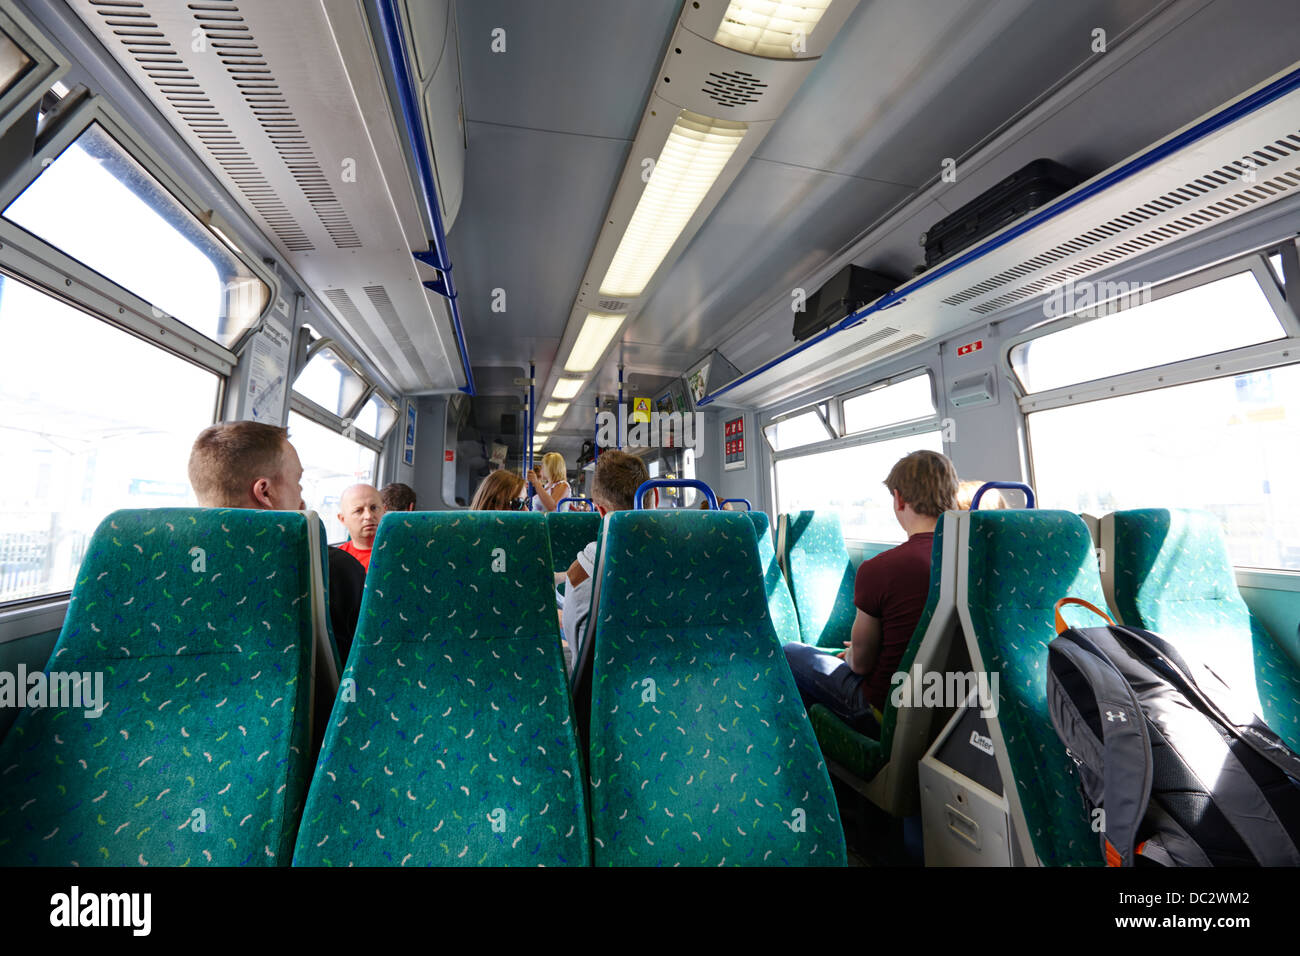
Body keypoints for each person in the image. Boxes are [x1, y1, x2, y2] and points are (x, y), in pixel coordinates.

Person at [783, 450, 958, 733]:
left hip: (884, 708)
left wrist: (854, 655)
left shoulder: (880, 568)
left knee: (791, 652)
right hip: (954, 702)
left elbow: (861, 665)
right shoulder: (973, 559)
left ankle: (812, 753)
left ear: (899, 498)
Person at [187, 420, 364, 665]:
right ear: (265, 492)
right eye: (297, 481)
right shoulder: (332, 570)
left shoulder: (163, 567)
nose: (301, 498)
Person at [560, 450, 649, 672]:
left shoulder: (580, 574)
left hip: (602, 698)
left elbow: (576, 645)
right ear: (653, 497)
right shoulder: (688, 562)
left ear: (599, 511)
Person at [336, 484, 385, 572]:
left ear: (384, 511)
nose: (369, 516)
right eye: (358, 510)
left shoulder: (401, 553)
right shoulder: (335, 560)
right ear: (343, 519)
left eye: (373, 508)